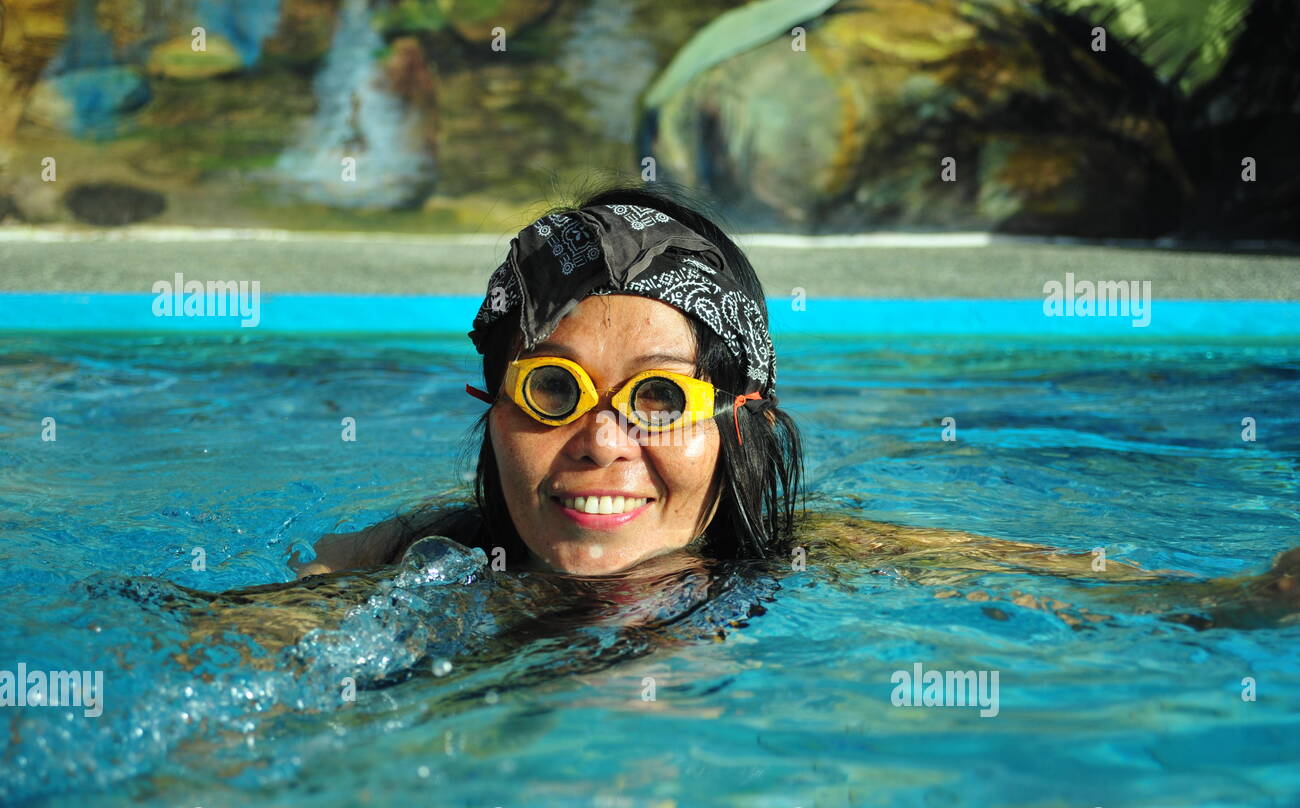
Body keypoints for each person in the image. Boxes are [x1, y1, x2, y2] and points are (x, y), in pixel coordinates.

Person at [284, 183, 1299, 634]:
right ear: (494, 408)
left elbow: (1078, 588)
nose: (600, 439)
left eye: (657, 397)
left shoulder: (802, 558)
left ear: (744, 422)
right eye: (552, 388)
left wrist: (1256, 593)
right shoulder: (419, 564)